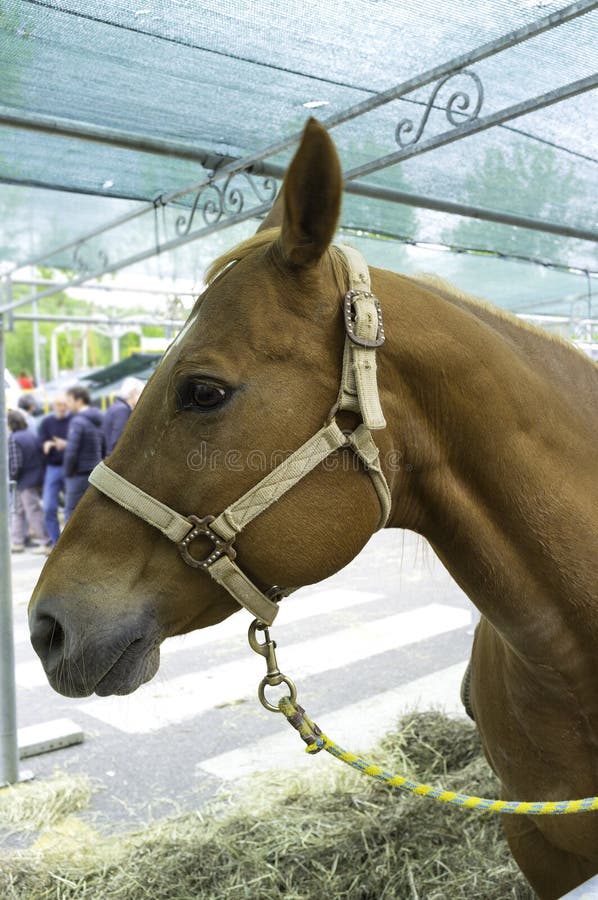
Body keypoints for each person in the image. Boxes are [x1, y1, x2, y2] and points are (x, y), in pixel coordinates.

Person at [7, 410, 49, 553]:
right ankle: (17, 541)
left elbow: (16, 463)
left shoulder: (14, 438)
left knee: (32, 511)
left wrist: (12, 478)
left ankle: (45, 541)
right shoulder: (31, 435)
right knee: (19, 510)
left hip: (24, 480)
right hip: (35, 477)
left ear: (10, 424)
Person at [60, 386, 104, 521]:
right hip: (95, 472)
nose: (67, 404)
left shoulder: (77, 422)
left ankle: (70, 543)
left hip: (78, 475)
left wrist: (67, 473)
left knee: (71, 513)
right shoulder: (98, 420)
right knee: (92, 513)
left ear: (79, 400)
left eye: (69, 400)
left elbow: (71, 452)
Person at [38, 393, 71, 547]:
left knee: (71, 507)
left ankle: (70, 543)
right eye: (59, 405)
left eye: (64, 404)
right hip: (52, 468)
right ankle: (55, 543)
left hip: (70, 467)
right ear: (53, 406)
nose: (62, 408)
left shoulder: (74, 420)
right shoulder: (46, 422)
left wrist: (64, 443)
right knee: (49, 507)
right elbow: (41, 443)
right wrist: (49, 443)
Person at [102, 377, 144, 455]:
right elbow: (118, 441)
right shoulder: (122, 410)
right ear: (133, 392)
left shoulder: (117, 407)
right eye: (141, 393)